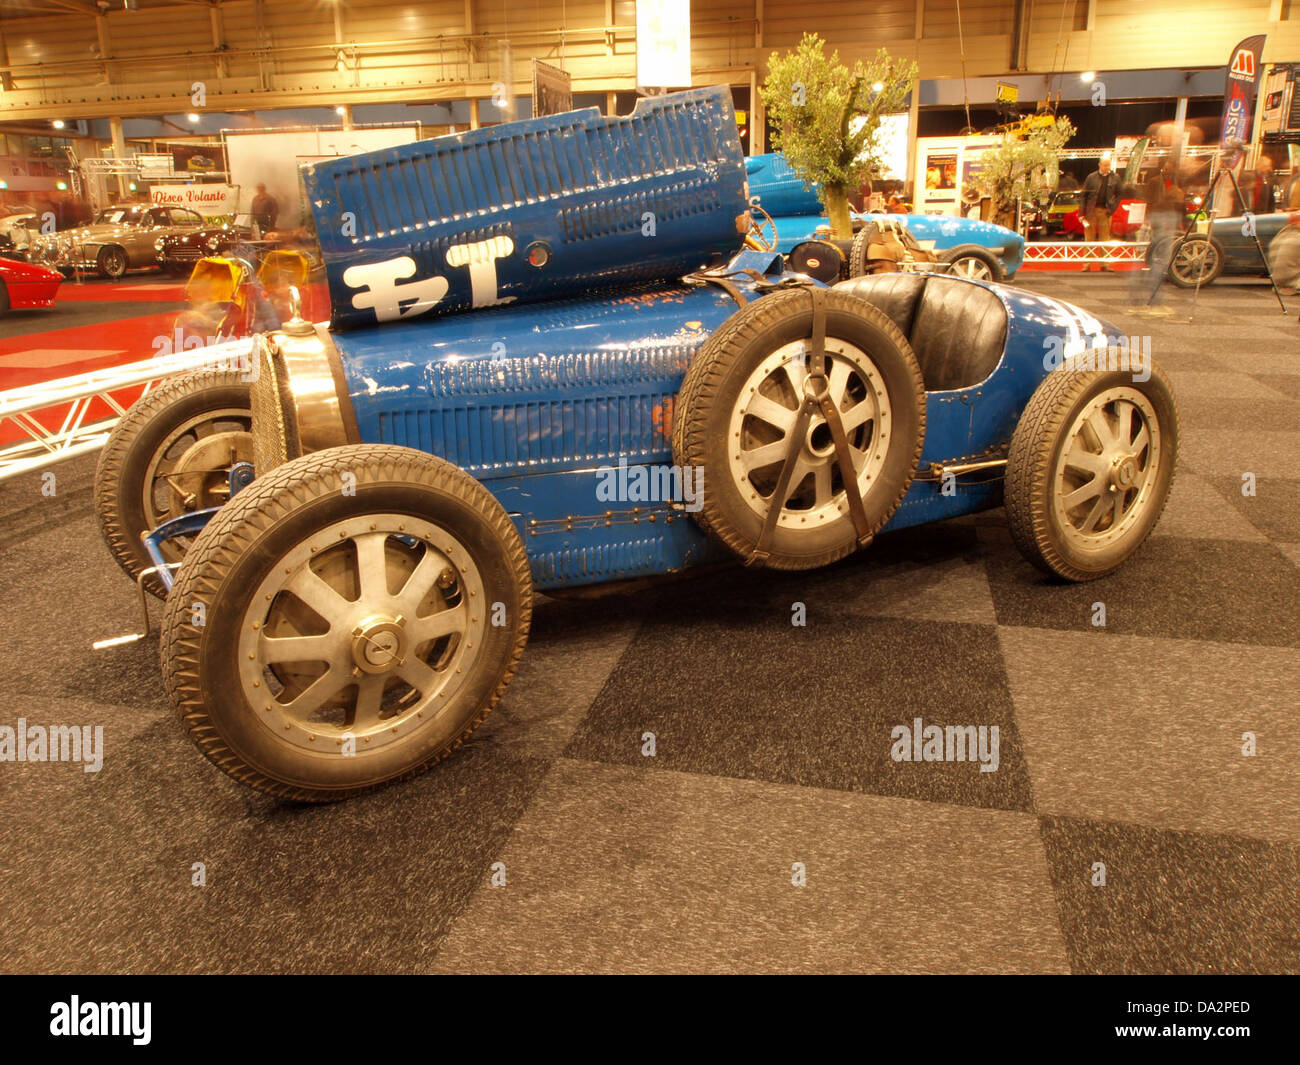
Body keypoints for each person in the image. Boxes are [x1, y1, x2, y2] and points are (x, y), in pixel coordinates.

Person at [1081, 154, 1121, 270]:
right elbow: (1084, 196)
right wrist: (1082, 213)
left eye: (1108, 165)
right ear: (1099, 164)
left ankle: (1104, 264)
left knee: (1105, 239)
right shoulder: (1091, 177)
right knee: (1089, 238)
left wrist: (1112, 208)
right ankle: (1087, 265)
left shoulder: (1115, 178)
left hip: (1106, 212)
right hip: (1091, 212)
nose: (1107, 167)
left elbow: (1119, 194)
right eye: (1104, 165)